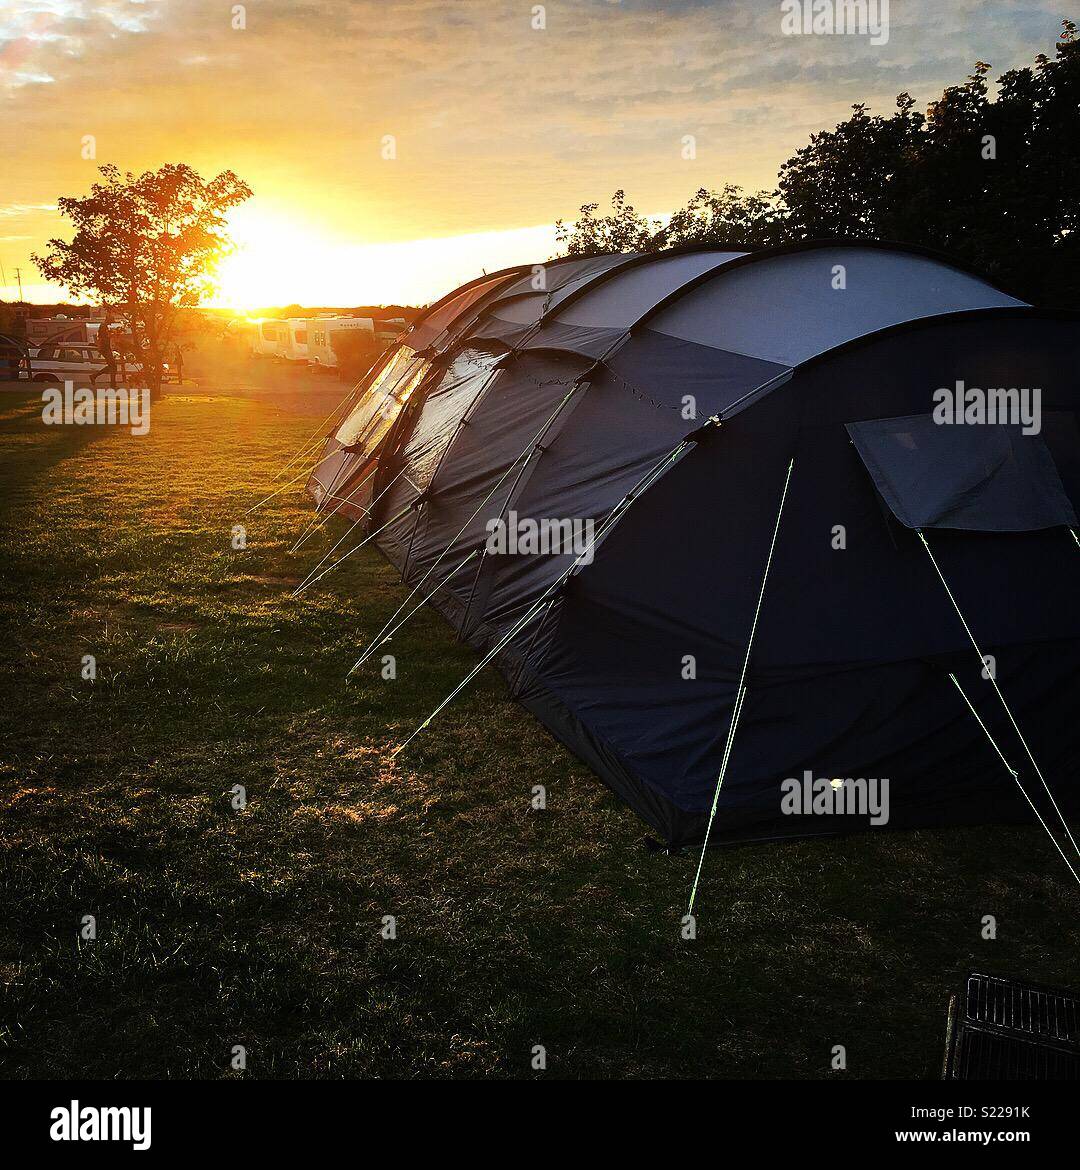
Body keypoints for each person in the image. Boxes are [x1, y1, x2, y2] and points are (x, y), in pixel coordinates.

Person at [96, 321, 117, 389]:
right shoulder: (104, 335)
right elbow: (105, 344)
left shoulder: (102, 334)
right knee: (113, 366)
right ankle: (113, 385)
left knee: (112, 366)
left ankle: (94, 376)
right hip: (106, 350)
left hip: (106, 350)